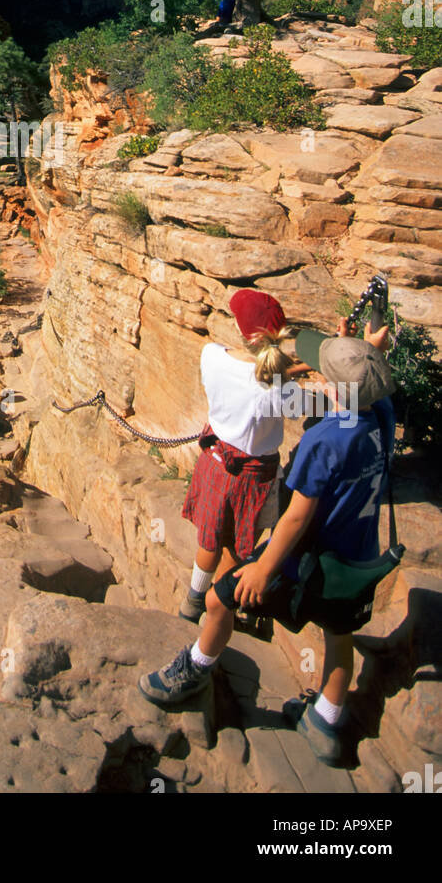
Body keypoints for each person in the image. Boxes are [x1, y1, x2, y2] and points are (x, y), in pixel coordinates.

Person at [139, 317, 396, 768]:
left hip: (303, 564)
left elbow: (296, 516)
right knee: (339, 642)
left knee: (221, 602)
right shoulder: (381, 417)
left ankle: (196, 670)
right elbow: (366, 385)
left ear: (330, 387)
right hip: (355, 563)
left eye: (322, 371)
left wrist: (262, 568)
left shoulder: (323, 441)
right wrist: (365, 350)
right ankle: (325, 724)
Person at [178, 289, 307, 623]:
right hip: (251, 476)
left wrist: (287, 373)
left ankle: (193, 600)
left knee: (210, 537)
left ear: (240, 328)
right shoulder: (279, 387)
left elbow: (254, 376)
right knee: (238, 545)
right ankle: (228, 606)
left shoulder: (212, 355)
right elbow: (304, 404)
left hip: (215, 461)